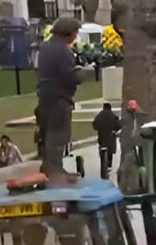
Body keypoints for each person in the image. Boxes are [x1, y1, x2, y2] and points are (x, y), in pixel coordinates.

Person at [36, 15, 81, 184]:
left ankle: (49, 166)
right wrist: (82, 74)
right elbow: (69, 75)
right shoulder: (62, 51)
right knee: (59, 136)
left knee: (48, 135)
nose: (76, 36)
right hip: (59, 98)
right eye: (75, 32)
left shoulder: (46, 47)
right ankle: (55, 170)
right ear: (67, 33)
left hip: (45, 98)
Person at [92, 101, 122, 182]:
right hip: (110, 138)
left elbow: (94, 125)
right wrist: (113, 130)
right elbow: (119, 125)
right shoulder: (113, 115)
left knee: (102, 152)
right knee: (110, 153)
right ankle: (109, 166)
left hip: (102, 137)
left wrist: (100, 129)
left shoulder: (99, 115)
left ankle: (103, 167)